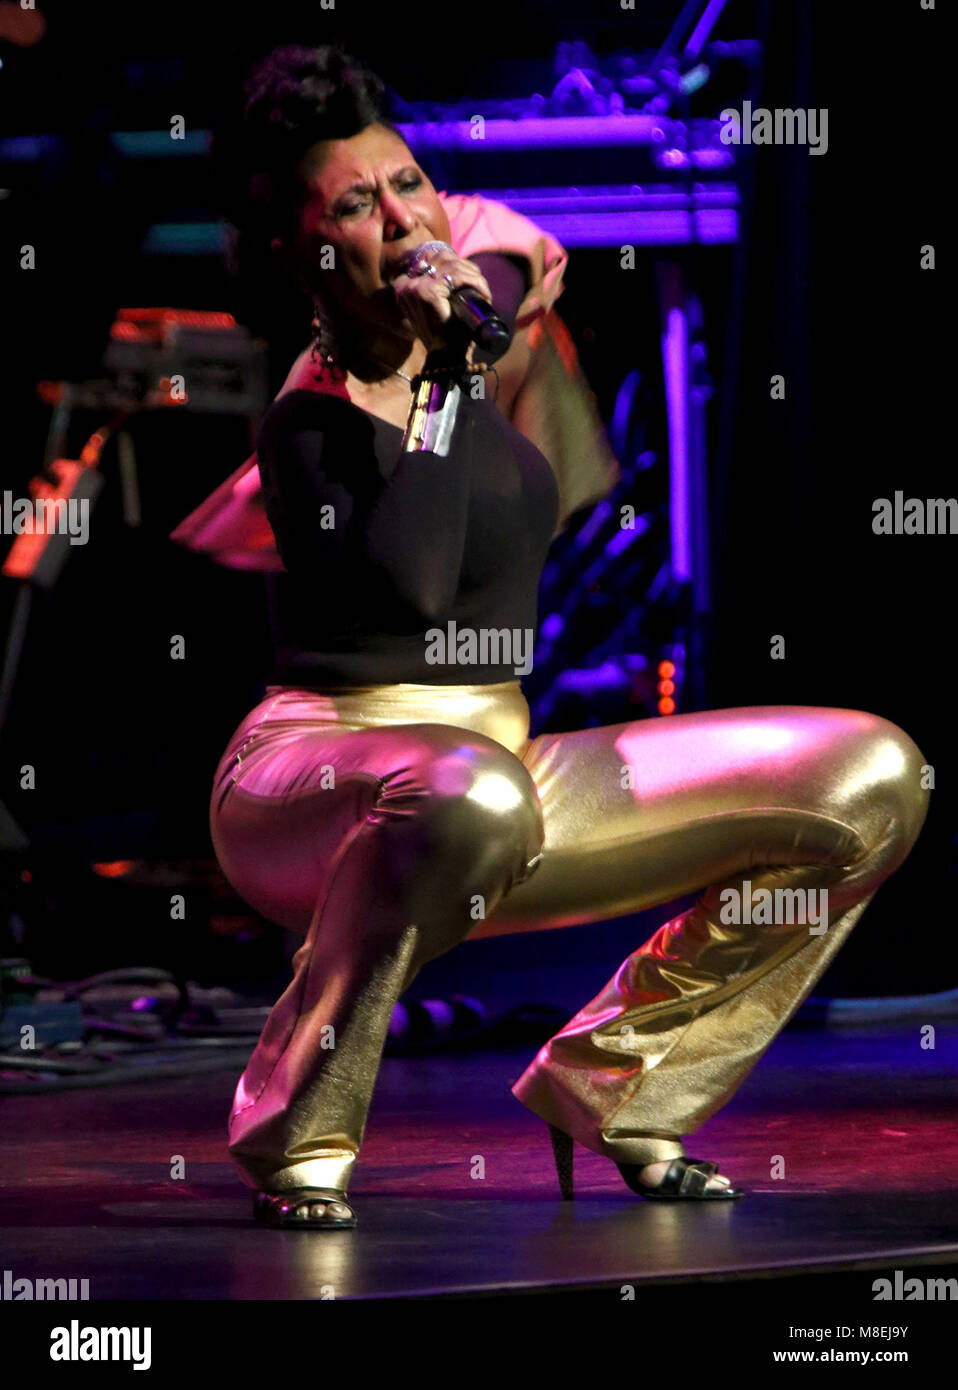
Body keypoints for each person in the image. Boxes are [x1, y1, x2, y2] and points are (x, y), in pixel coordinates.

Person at [199, 44, 930, 1229]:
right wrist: (445, 371)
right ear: (298, 249)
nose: (401, 218)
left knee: (870, 776)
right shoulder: (312, 418)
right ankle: (298, 1125)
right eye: (353, 204)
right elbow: (418, 586)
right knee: (465, 796)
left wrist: (464, 323)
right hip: (317, 778)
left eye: (408, 185)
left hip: (497, 766)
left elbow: (504, 240)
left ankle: (626, 1081)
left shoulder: (463, 305)